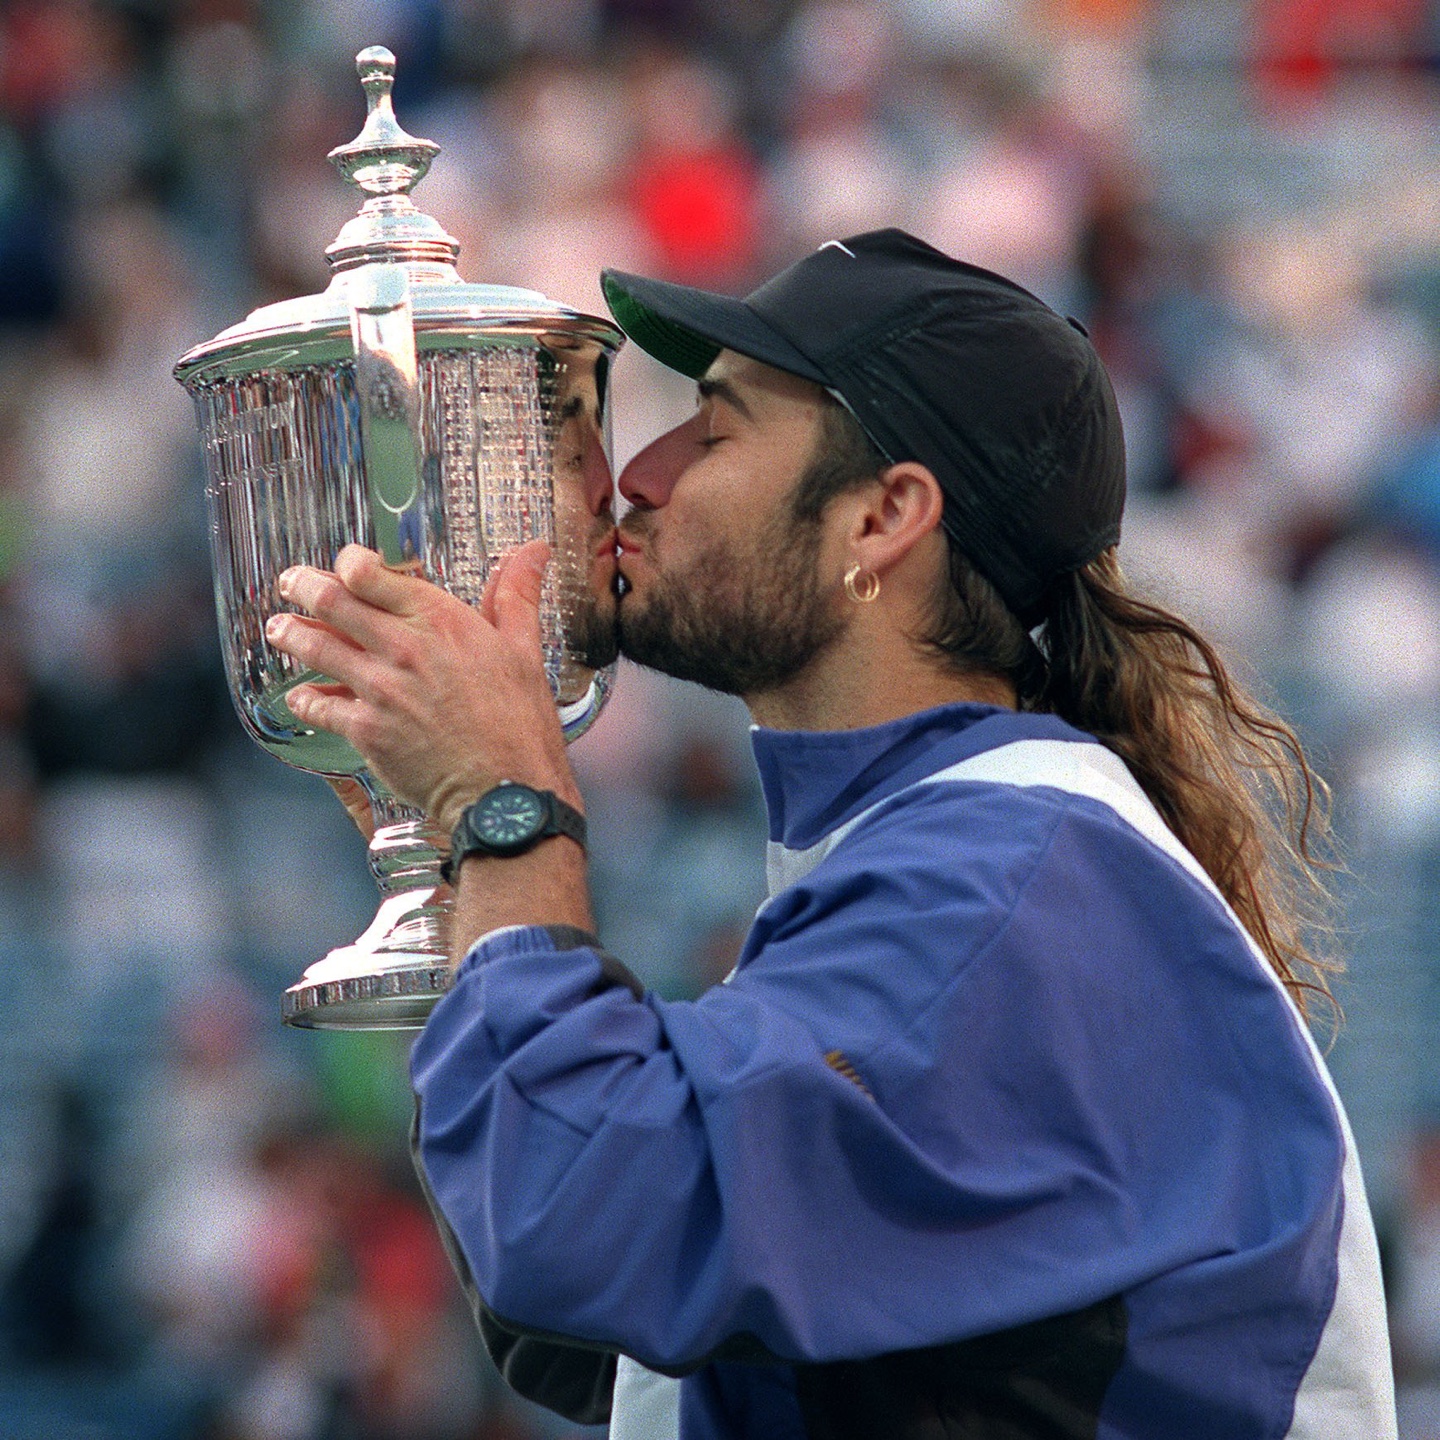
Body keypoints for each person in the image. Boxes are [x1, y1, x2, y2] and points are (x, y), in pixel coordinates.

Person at [263, 229, 1397, 1439]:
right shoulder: (972, 857)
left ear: (882, 520)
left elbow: (576, 1216)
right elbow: (592, 1326)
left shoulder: (1002, 889)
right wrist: (451, 852)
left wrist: (507, 808)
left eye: (717, 425)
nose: (638, 475)